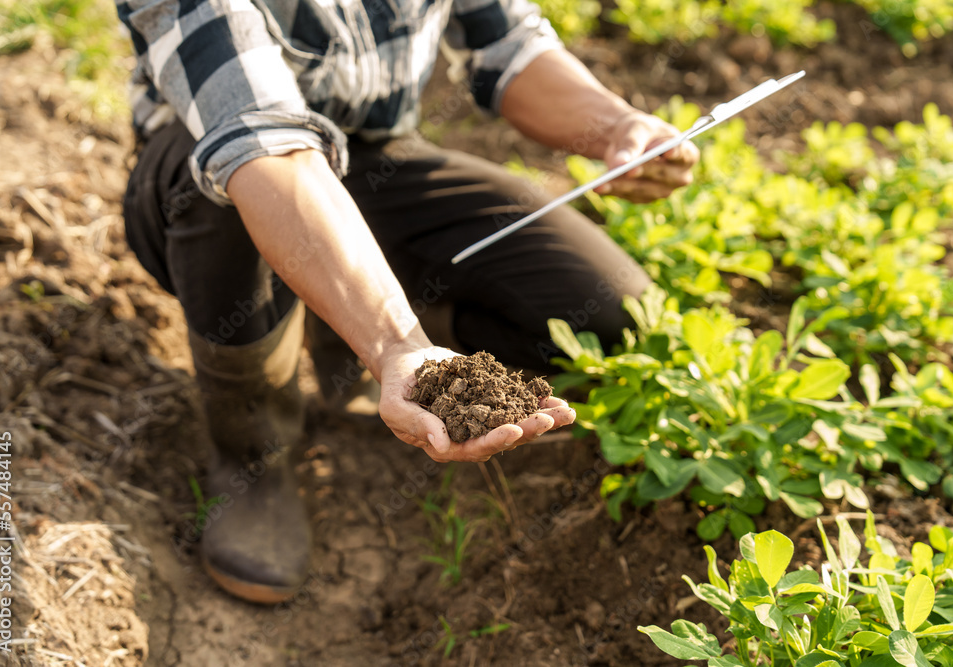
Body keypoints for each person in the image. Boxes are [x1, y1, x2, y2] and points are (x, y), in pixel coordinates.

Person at [116, 0, 699, 604]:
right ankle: (253, 451)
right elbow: (265, 143)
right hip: (221, 163)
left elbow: (509, 47)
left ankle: (335, 319)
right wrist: (399, 345)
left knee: (608, 316)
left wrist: (615, 126)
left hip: (376, 157)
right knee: (230, 187)